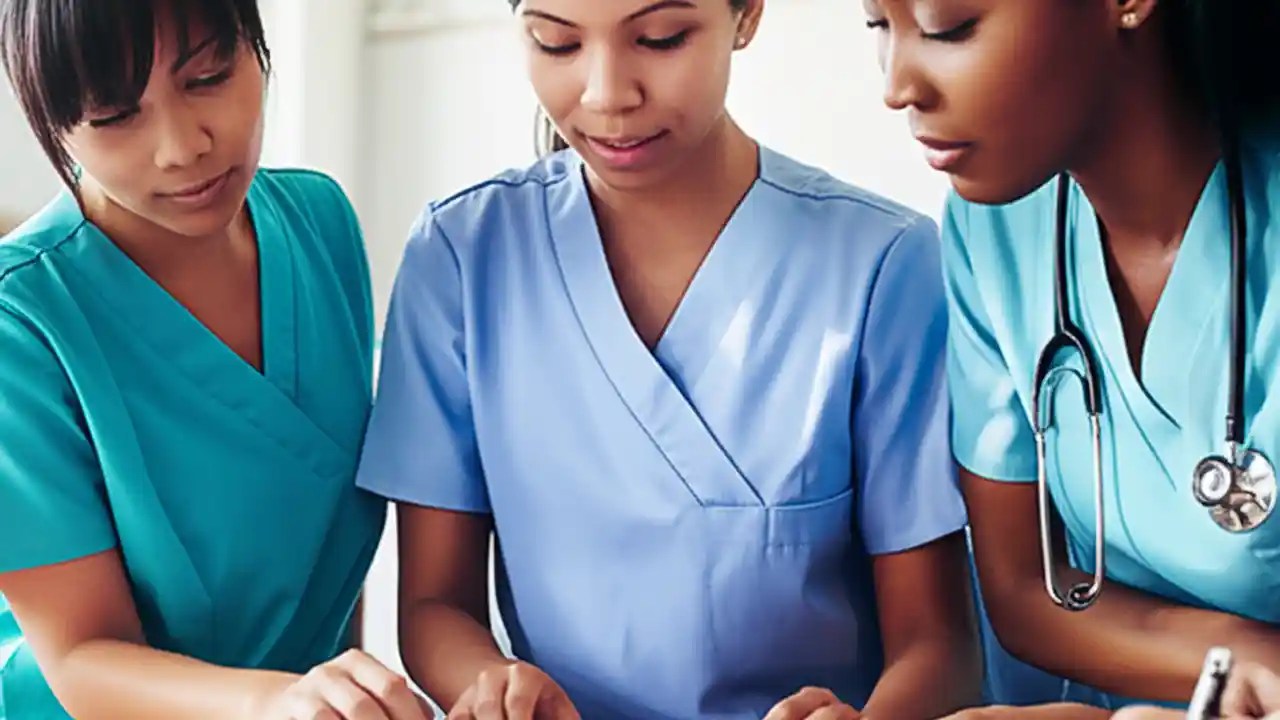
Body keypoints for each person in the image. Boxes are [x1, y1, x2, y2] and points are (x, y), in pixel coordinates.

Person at [354, 0, 985, 718]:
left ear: (745, 15)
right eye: (556, 44)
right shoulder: (462, 255)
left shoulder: (880, 265)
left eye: (660, 38)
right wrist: (491, 688)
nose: (607, 94)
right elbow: (435, 605)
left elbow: (939, 644)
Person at [0, 1, 424, 718]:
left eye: (209, 77)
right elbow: (79, 656)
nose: (183, 146)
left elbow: (329, 570)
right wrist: (280, 703)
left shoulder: (321, 225)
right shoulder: (23, 321)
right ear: (55, 120)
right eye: (114, 116)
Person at [865, 0, 1280, 715]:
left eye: (947, 29)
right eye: (878, 25)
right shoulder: (992, 226)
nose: (898, 86)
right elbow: (1026, 591)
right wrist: (1237, 661)